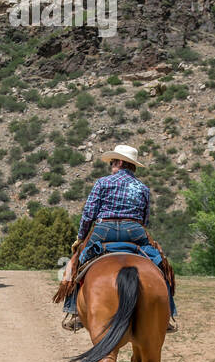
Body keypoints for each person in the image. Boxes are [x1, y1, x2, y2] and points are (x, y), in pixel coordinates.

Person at [62, 143, 177, 333]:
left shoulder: (102, 183)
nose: (111, 166)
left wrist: (81, 237)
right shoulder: (143, 188)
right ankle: (167, 316)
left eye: (113, 162)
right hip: (134, 231)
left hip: (104, 229)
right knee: (161, 265)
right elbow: (145, 219)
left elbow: (88, 214)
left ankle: (74, 311)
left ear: (120, 163)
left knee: (77, 262)